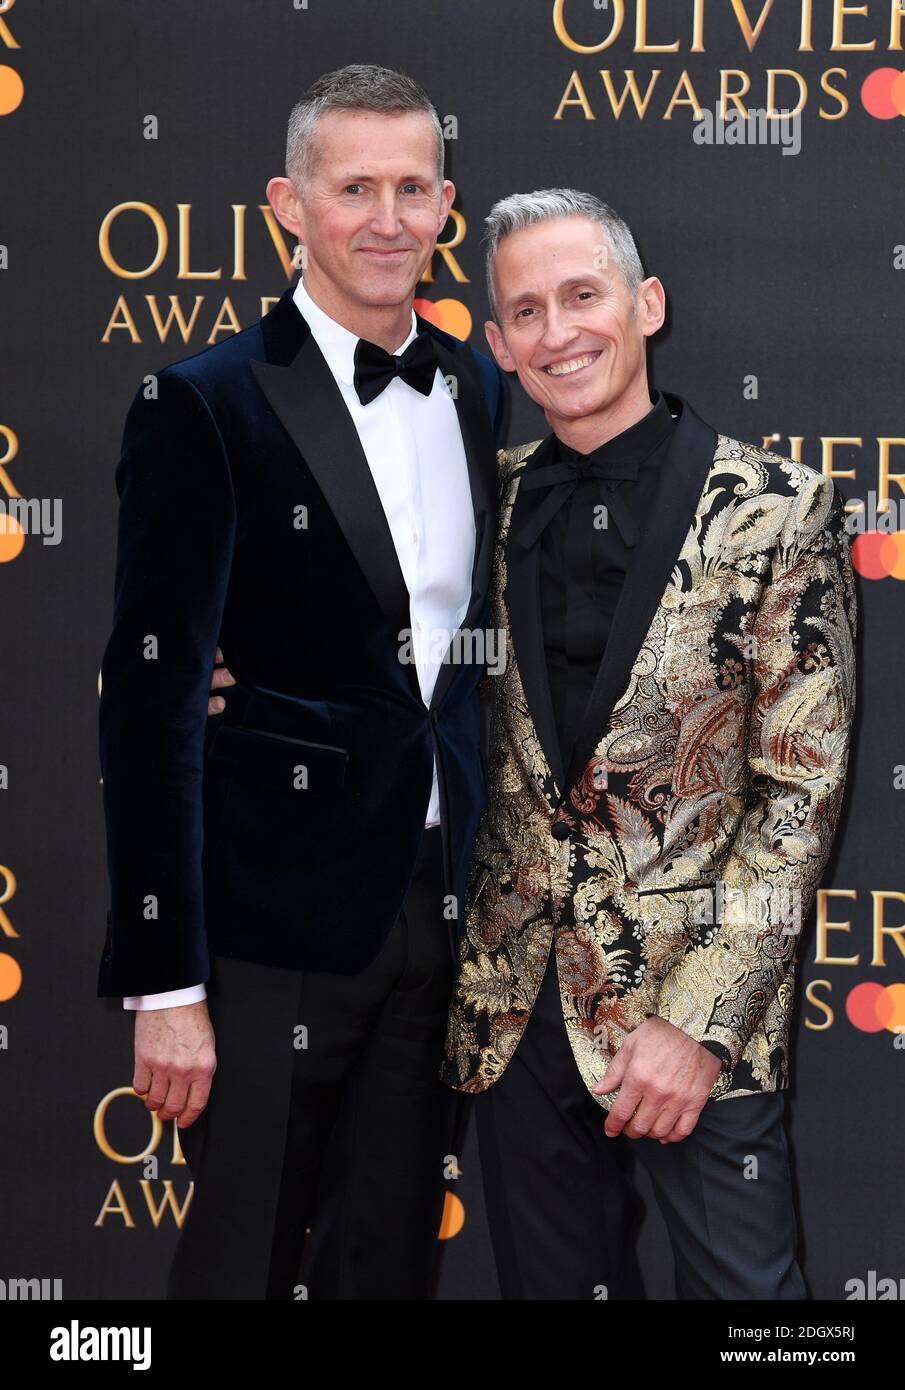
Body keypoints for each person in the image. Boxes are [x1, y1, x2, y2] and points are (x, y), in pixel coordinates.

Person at [97, 64, 506, 1300]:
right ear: (287, 203)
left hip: (438, 909)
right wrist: (166, 982)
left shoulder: (478, 391)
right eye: (352, 188)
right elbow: (151, 703)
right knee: (239, 1261)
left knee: (386, 1263)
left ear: (446, 205)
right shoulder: (205, 403)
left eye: (412, 187)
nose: (386, 218)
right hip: (269, 926)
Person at [440, 189, 858, 1300]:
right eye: (523, 311)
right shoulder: (475, 501)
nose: (557, 331)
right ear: (496, 344)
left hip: (698, 1015)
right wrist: (228, 679)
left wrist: (700, 1024)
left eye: (582, 295)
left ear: (646, 304)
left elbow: (796, 797)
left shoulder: (779, 508)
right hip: (516, 1009)